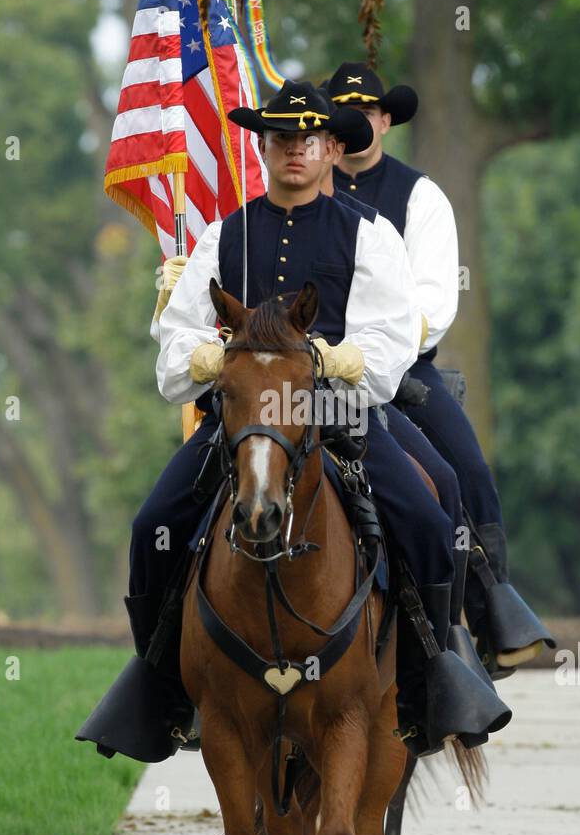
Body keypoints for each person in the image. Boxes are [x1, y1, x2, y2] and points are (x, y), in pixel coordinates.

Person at [77, 81, 510, 763]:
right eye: (282, 140)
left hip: (339, 414)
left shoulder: (370, 236)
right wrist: (206, 354)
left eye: (308, 140)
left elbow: (395, 342)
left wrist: (342, 360)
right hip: (242, 423)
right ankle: (161, 690)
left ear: (331, 148)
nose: (295, 152)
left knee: (431, 518)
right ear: (265, 147)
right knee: (150, 528)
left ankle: (432, 680)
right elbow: (174, 344)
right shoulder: (225, 234)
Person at [328, 61, 554, 678]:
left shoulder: (419, 197)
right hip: (306, 377)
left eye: (367, 114)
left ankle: (487, 614)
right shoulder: (303, 195)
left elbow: (434, 302)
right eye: (344, 115)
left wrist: (372, 355)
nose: (357, 125)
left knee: (467, 470)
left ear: (385, 121)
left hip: (400, 372)